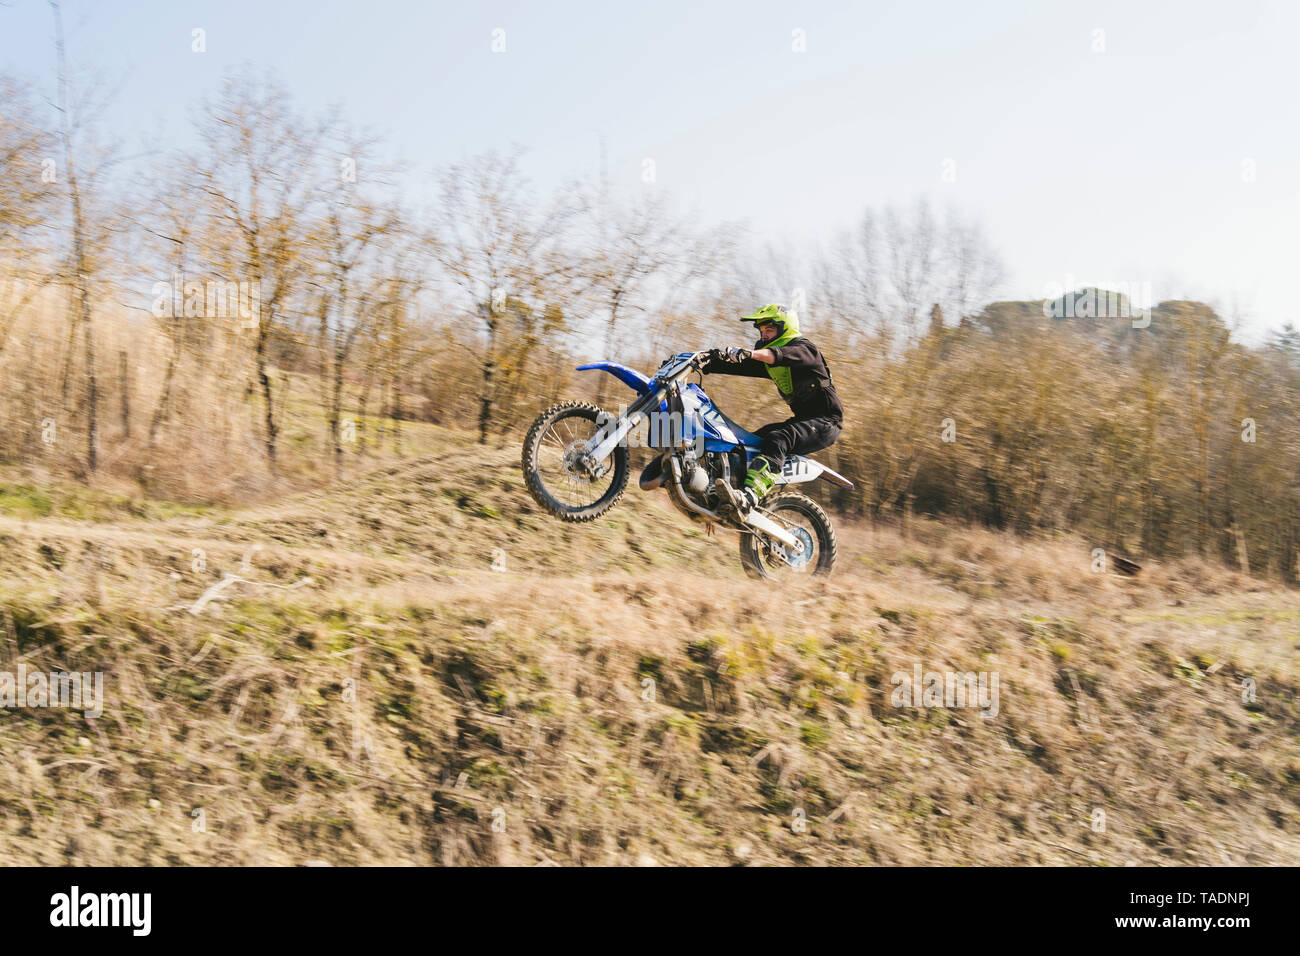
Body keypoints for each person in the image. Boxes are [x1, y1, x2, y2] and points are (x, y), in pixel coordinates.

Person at [700, 304, 844, 513]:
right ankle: (724, 494)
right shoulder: (769, 360)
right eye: (762, 331)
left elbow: (777, 355)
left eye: (770, 330)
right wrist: (706, 360)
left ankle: (750, 495)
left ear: (785, 328)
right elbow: (739, 366)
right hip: (802, 420)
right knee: (745, 443)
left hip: (827, 422)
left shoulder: (805, 350)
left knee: (778, 439)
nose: (765, 335)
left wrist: (747, 353)